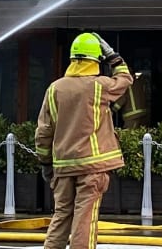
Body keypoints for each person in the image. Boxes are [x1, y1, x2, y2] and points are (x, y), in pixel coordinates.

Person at [35, 32, 133, 249]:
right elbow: (125, 79)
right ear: (95, 61)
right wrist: (113, 57)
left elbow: (43, 132)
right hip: (92, 167)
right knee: (84, 220)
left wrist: (45, 163)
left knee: (61, 216)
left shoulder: (55, 89)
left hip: (62, 167)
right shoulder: (100, 86)